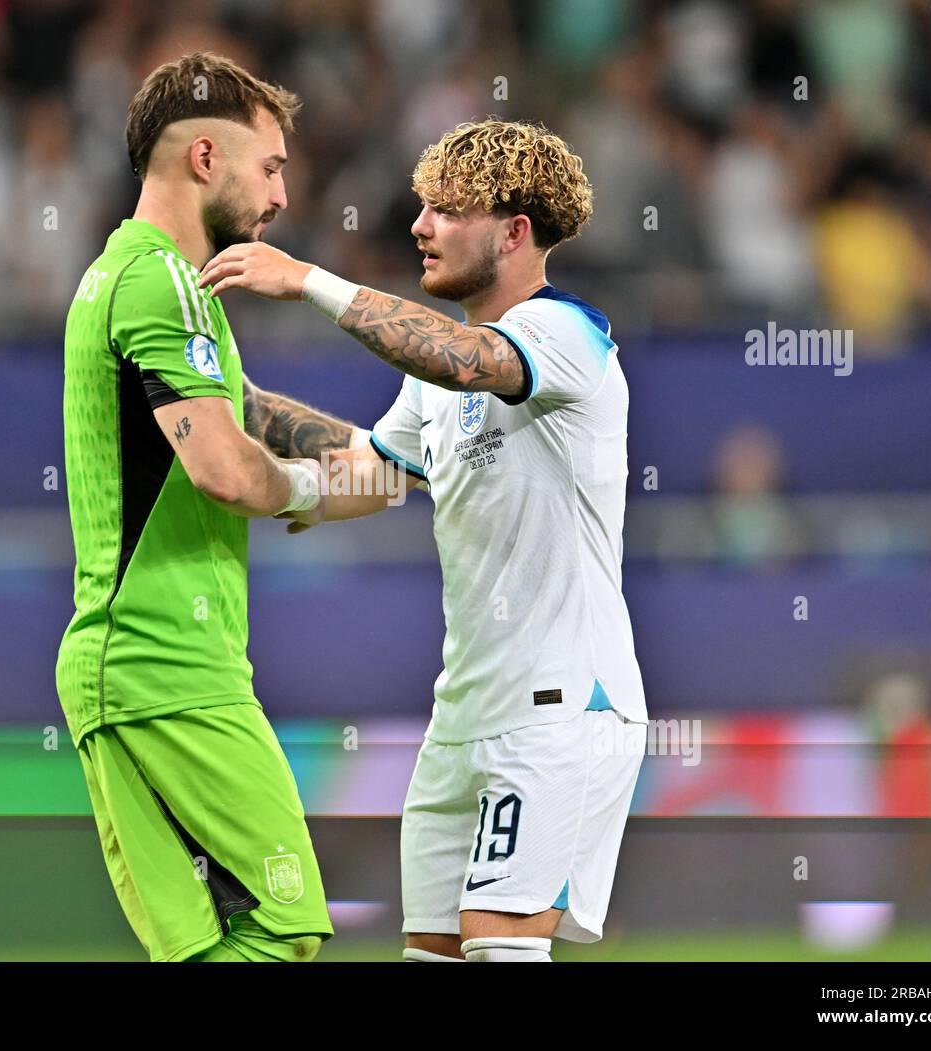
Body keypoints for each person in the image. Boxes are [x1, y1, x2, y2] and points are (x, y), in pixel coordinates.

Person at [199, 119, 649, 963]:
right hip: (463, 714)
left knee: (500, 950)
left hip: (559, 705)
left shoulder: (567, 335)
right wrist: (215, 388)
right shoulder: (433, 382)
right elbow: (367, 473)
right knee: (434, 956)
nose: (420, 226)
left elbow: (472, 361)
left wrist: (308, 282)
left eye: (447, 209)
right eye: (423, 207)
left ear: (514, 232)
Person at [56, 51, 358, 963]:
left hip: (132, 668)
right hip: (165, 667)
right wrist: (312, 489)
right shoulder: (162, 284)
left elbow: (248, 408)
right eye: (268, 167)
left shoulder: (138, 279)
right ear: (202, 159)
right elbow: (225, 468)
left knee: (204, 948)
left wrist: (384, 459)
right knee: (284, 923)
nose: (280, 197)